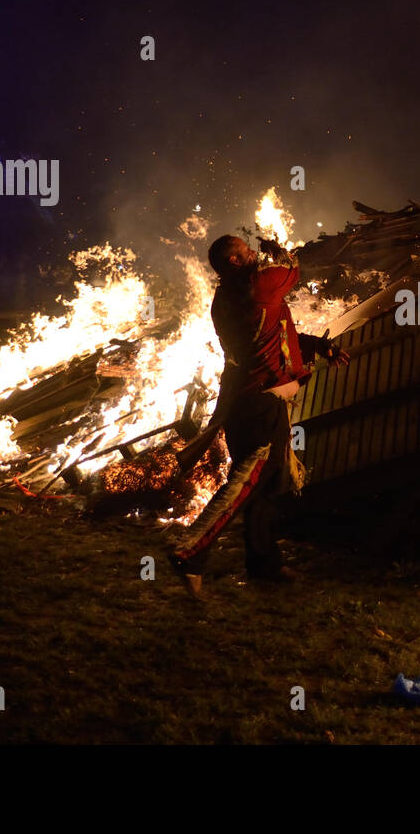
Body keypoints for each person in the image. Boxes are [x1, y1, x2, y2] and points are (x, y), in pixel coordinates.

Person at [168, 234, 349, 597]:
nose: (253, 252)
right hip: (259, 404)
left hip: (245, 399)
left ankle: (263, 565)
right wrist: (276, 248)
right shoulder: (257, 286)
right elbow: (292, 268)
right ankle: (191, 550)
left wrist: (317, 346)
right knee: (247, 482)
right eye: (245, 250)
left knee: (266, 485)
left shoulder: (226, 297)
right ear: (234, 262)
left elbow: (273, 334)